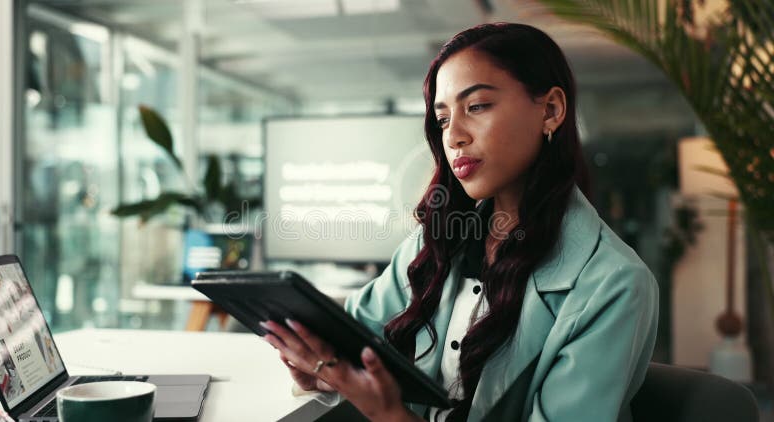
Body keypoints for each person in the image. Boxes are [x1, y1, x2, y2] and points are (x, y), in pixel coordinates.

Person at [261, 22, 658, 422]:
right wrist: (319, 371)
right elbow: (355, 337)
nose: (454, 137)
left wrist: (390, 416)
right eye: (443, 118)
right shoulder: (435, 242)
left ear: (551, 110)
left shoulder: (615, 284)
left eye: (477, 106)